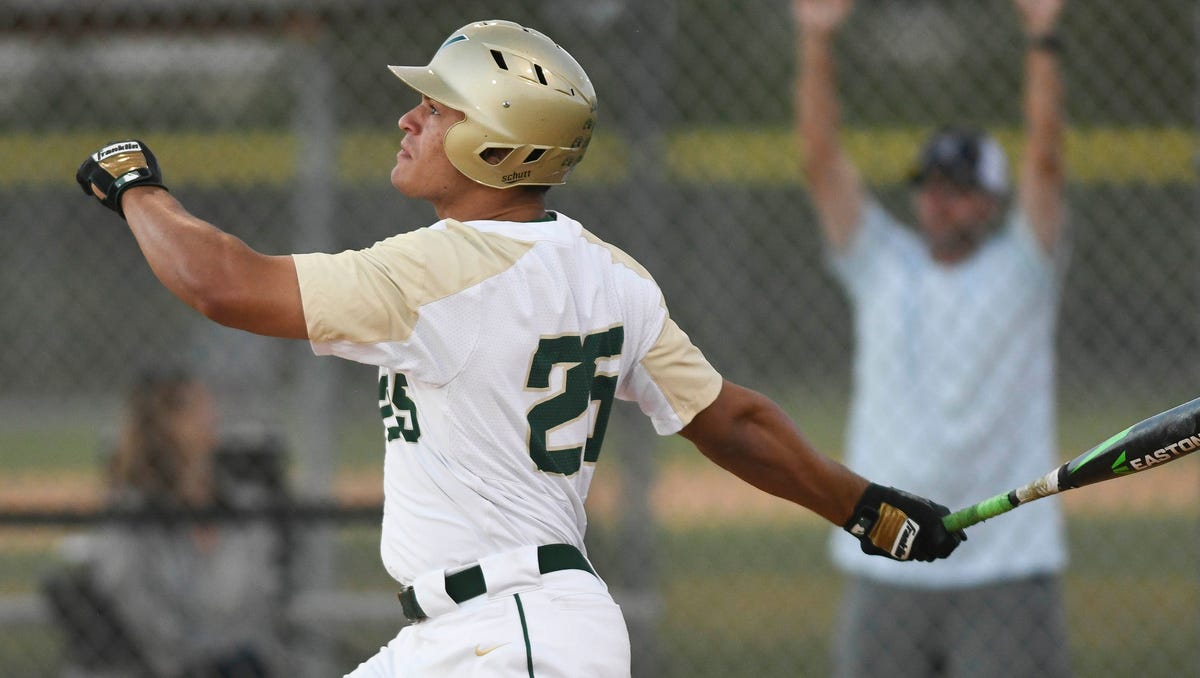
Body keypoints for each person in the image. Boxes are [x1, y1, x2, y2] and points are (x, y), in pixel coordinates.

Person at [76, 19, 963, 677]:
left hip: (509, 633)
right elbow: (735, 422)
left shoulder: (439, 270)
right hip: (475, 634)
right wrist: (865, 509)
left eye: (437, 107)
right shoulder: (612, 275)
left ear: (498, 145)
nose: (409, 118)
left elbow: (219, 283)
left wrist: (136, 190)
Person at [794, 0, 1071, 676]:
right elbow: (820, 159)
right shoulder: (881, 263)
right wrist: (815, 38)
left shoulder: (1024, 267)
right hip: (889, 552)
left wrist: (1042, 34)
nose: (938, 201)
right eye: (929, 186)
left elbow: (1046, 158)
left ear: (993, 203)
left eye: (959, 188)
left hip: (1006, 564)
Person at [51, 368, 285, 677]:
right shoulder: (132, 517)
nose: (212, 418)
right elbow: (138, 606)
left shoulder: (243, 505)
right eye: (196, 410)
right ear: (164, 425)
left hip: (237, 660)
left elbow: (259, 595)